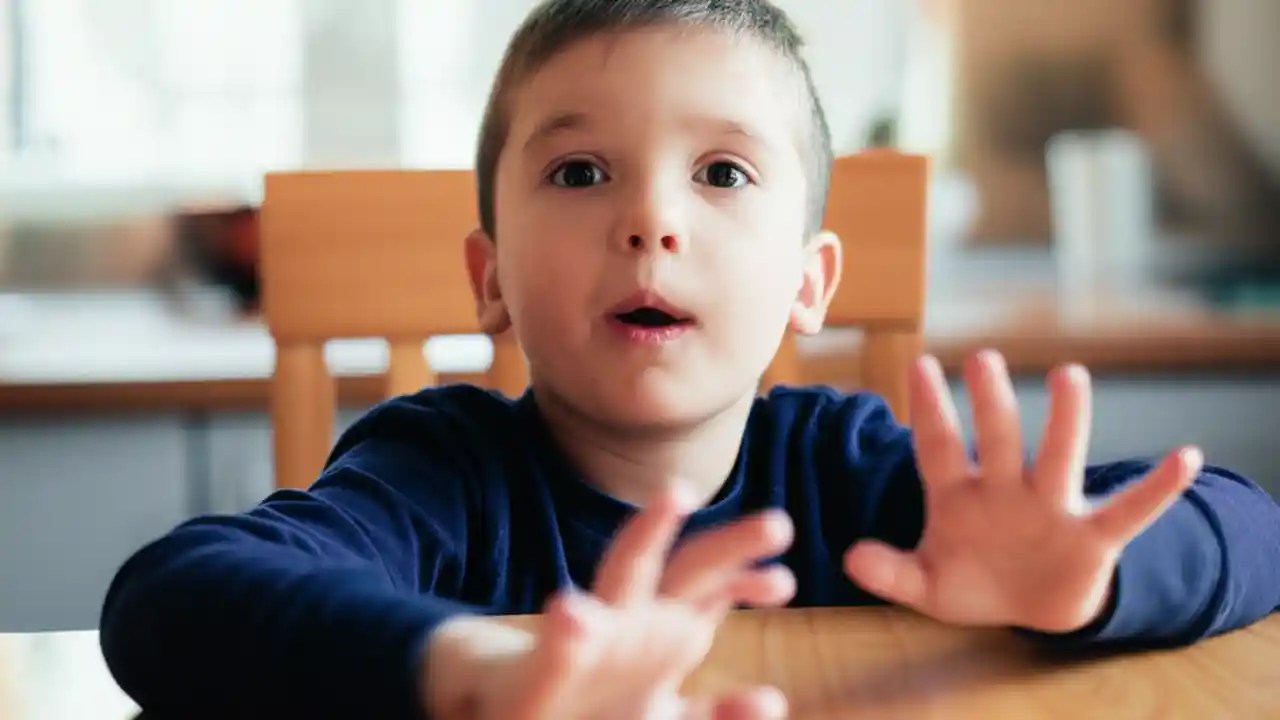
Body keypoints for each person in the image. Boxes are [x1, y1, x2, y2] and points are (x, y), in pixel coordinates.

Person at [99, 1, 1280, 718]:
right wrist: (471, 676)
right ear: (490, 277)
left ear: (806, 286)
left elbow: (1250, 526)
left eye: (720, 173)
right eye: (578, 172)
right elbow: (168, 601)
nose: (648, 221)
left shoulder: (860, 473)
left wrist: (1082, 583)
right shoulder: (437, 470)